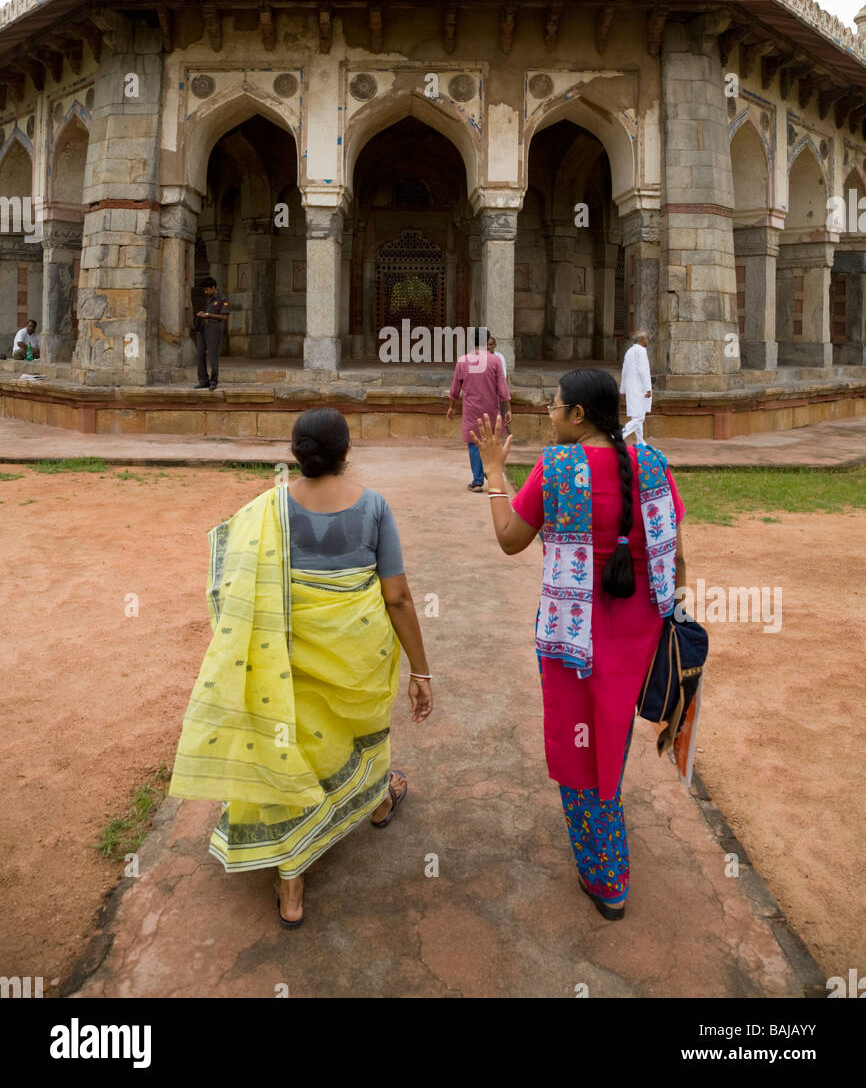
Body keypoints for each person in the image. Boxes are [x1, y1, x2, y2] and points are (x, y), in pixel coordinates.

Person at [169, 407, 433, 929]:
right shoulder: (374, 507)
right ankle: (376, 805)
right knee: (359, 729)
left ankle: (292, 888)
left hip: (282, 657)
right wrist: (421, 672)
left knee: (291, 747)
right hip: (358, 654)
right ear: (346, 452)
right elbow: (397, 598)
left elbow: (231, 587)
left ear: (296, 453)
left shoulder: (268, 511)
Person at [469, 369, 686, 919]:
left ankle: (607, 873)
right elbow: (675, 558)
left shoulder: (559, 467)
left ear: (578, 416)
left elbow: (509, 540)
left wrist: (494, 472)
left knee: (578, 744)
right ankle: (606, 823)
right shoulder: (653, 465)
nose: (549, 411)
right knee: (608, 733)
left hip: (573, 636)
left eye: (554, 404)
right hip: (638, 632)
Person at [447, 328, 511, 491]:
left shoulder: (463, 360)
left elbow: (455, 388)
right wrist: (508, 409)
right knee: (490, 441)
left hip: (471, 409)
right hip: (491, 407)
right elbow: (503, 387)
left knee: (474, 442)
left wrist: (451, 407)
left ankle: (477, 480)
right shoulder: (495, 360)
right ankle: (491, 473)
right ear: (487, 340)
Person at [194, 278, 229, 390]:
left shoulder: (222, 299)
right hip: (203, 328)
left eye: (207, 290)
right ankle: (203, 380)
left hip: (213, 328)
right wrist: (202, 314)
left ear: (214, 288)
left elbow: (224, 317)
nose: (205, 292)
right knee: (199, 354)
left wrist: (208, 315)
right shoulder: (208, 299)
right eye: (204, 290)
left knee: (213, 355)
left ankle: (214, 381)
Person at [620, 329, 652, 444]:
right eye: (646, 338)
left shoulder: (629, 351)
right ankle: (619, 436)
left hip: (631, 389)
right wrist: (648, 388)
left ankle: (641, 442)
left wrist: (623, 390)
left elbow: (624, 372)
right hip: (639, 389)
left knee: (637, 416)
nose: (648, 341)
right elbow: (643, 371)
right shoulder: (641, 351)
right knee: (639, 418)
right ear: (641, 339)